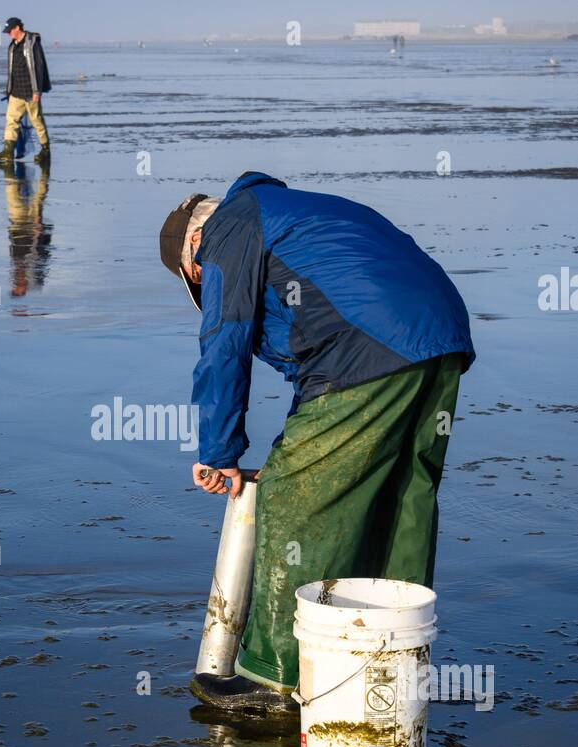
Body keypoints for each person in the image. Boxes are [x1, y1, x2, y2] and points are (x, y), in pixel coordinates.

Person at [159, 172, 475, 708]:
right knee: (400, 498)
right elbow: (319, 367)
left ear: (194, 242)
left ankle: (274, 679)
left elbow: (223, 342)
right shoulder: (291, 213)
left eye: (196, 278)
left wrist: (219, 453)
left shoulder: (228, 229)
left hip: (372, 347)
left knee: (291, 498)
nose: (204, 282)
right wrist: (294, 450)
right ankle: (387, 666)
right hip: (439, 338)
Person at [0, 17, 51, 167]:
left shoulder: (32, 43)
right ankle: (8, 152)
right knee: (11, 121)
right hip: (16, 92)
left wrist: (37, 90)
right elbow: (11, 70)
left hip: (31, 92)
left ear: (17, 28)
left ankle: (45, 150)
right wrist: (9, 91)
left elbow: (39, 66)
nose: (8, 34)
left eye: (10, 30)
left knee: (37, 121)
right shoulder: (12, 46)